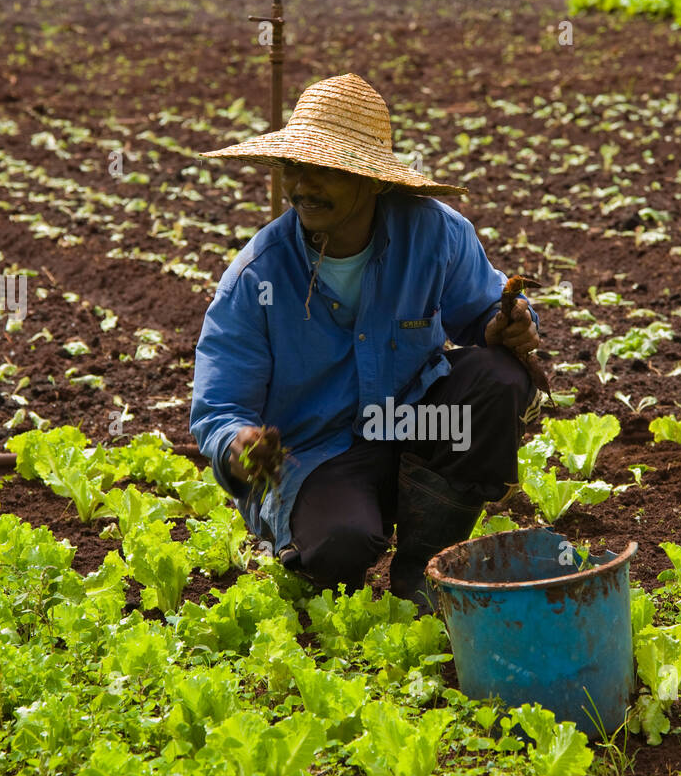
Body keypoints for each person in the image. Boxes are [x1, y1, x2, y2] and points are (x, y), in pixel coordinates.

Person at [190, 73, 542, 612]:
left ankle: (423, 576)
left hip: (412, 423)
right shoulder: (256, 277)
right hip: (320, 453)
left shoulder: (434, 234)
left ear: (373, 180)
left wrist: (507, 325)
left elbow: (486, 314)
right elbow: (218, 408)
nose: (304, 186)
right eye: (295, 168)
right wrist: (238, 445)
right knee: (340, 544)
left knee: (499, 377)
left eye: (325, 172)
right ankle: (337, 545)